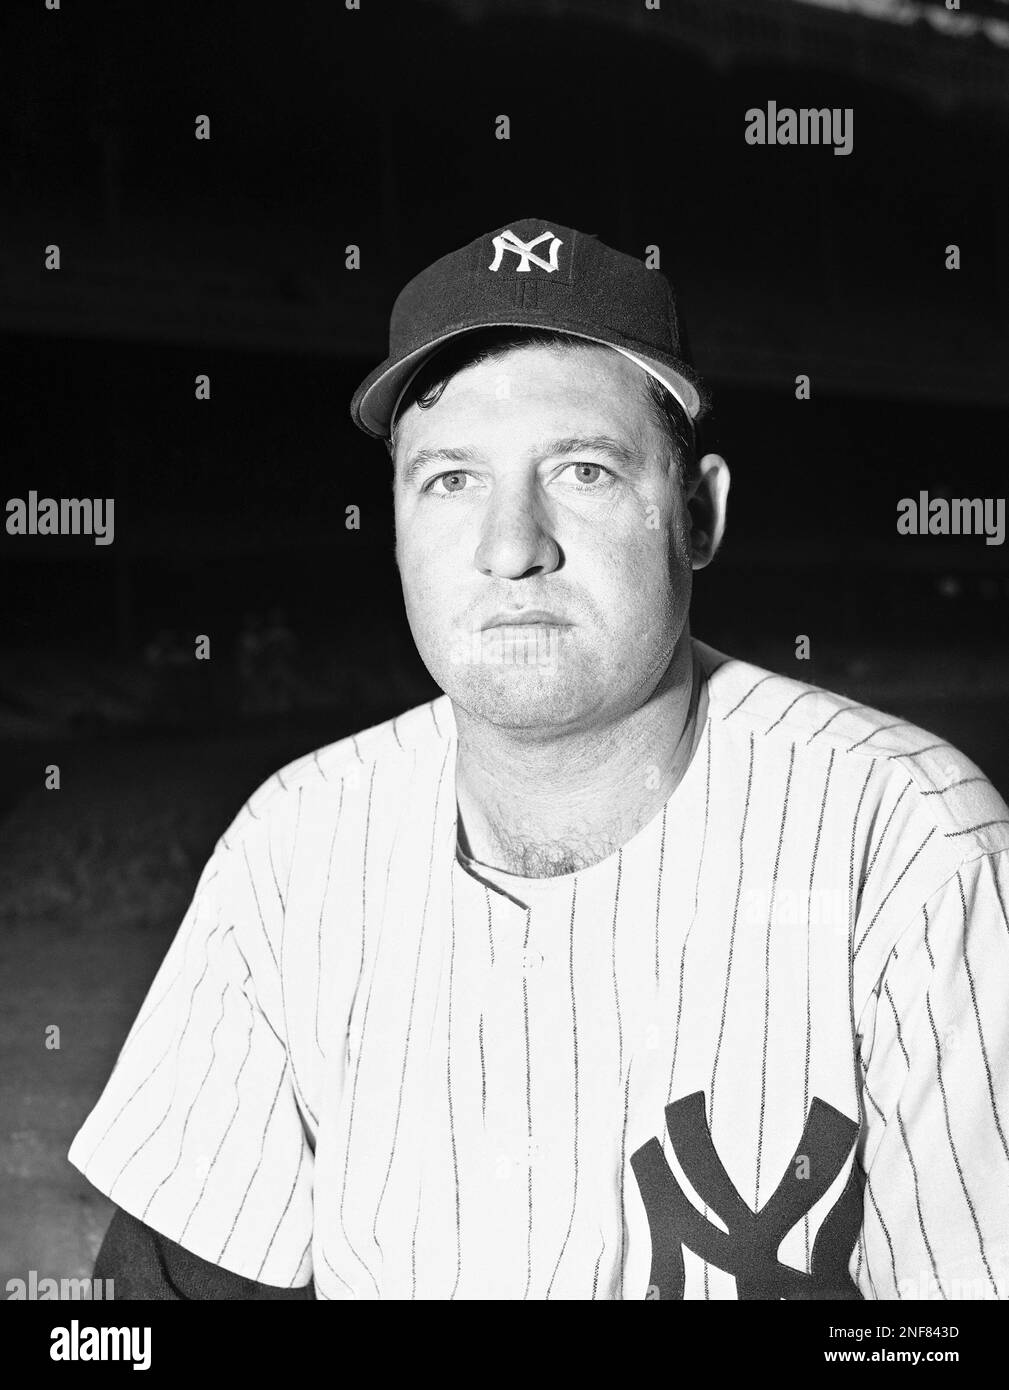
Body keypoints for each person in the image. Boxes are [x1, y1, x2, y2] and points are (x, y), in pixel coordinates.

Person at [69, 219, 1009, 1300]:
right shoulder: (290, 848)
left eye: (583, 469)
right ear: (393, 521)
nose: (513, 545)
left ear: (698, 512)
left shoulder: (912, 844)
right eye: (452, 480)